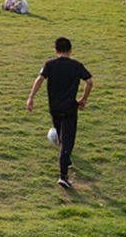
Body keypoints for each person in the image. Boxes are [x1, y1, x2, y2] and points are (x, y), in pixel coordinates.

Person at [27, 36, 92, 188]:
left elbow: (39, 79)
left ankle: (67, 160)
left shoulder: (49, 64)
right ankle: (63, 176)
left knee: (61, 134)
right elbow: (89, 81)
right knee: (67, 141)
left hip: (54, 108)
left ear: (55, 50)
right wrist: (83, 99)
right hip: (70, 108)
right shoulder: (77, 66)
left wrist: (31, 97)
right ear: (70, 50)